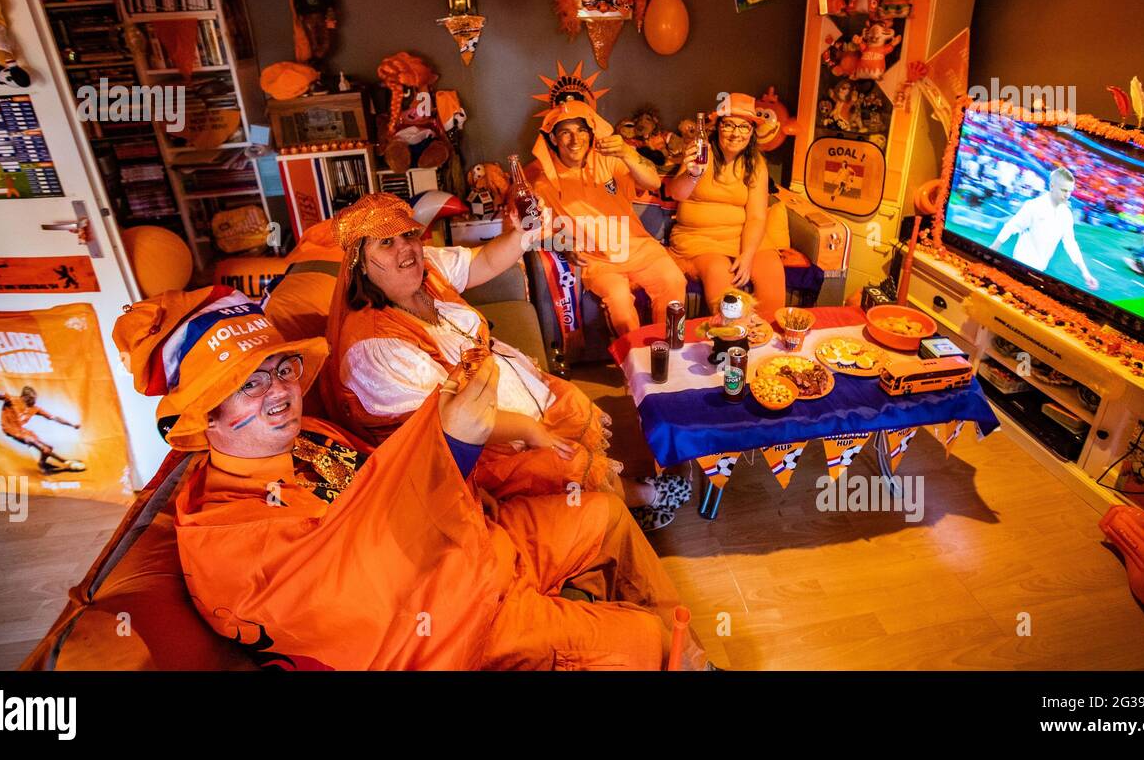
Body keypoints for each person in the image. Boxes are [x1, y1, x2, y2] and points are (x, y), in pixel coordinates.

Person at [112, 286, 707, 670]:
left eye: (283, 369)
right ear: (202, 415)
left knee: (602, 515)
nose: (281, 393)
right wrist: (452, 443)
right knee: (644, 643)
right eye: (249, 383)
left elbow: (392, 480)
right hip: (452, 624)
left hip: (479, 549)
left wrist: (483, 441)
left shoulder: (311, 434)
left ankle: (685, 648)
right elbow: (362, 584)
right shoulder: (224, 532)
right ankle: (669, 653)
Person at [321, 193, 688, 522]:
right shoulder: (372, 347)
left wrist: (519, 233)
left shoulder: (425, 268)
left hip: (501, 402)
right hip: (468, 450)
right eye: (387, 243)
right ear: (360, 265)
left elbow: (482, 263)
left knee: (571, 402)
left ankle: (616, 495)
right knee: (566, 462)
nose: (407, 248)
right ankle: (641, 498)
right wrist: (529, 430)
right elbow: (447, 423)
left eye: (409, 235)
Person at [526, 100, 687, 339]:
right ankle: (633, 364)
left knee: (673, 281)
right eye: (565, 133)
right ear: (553, 139)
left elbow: (652, 182)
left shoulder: (609, 160)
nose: (575, 139)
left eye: (581, 130)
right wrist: (566, 245)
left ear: (591, 133)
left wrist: (627, 152)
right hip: (598, 261)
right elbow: (537, 231)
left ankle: (670, 351)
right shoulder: (542, 182)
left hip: (640, 248)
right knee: (620, 304)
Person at [665, 95, 787, 319]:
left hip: (741, 234)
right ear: (718, 127)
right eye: (729, 124)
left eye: (743, 126)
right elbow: (675, 193)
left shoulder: (756, 163)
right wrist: (693, 174)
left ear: (751, 131)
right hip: (699, 238)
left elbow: (757, 217)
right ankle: (728, 341)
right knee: (719, 274)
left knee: (772, 271)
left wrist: (748, 255)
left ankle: (766, 342)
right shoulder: (700, 150)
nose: (735, 133)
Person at [990, 166, 1100, 289]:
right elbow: (1011, 226)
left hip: (1039, 270)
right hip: (1020, 265)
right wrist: (994, 247)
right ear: (1052, 186)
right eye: (1064, 190)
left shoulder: (1066, 214)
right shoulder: (1034, 206)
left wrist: (1085, 273)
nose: (1068, 195)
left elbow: (1070, 243)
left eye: (1070, 191)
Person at [0, 383, 84, 473]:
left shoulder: (34, 408)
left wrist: (72, 425)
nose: (34, 402)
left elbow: (54, 417)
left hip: (23, 431)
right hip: (10, 429)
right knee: (31, 440)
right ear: (25, 397)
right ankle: (65, 462)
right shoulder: (10, 399)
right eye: (32, 399)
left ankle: (43, 465)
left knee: (47, 449)